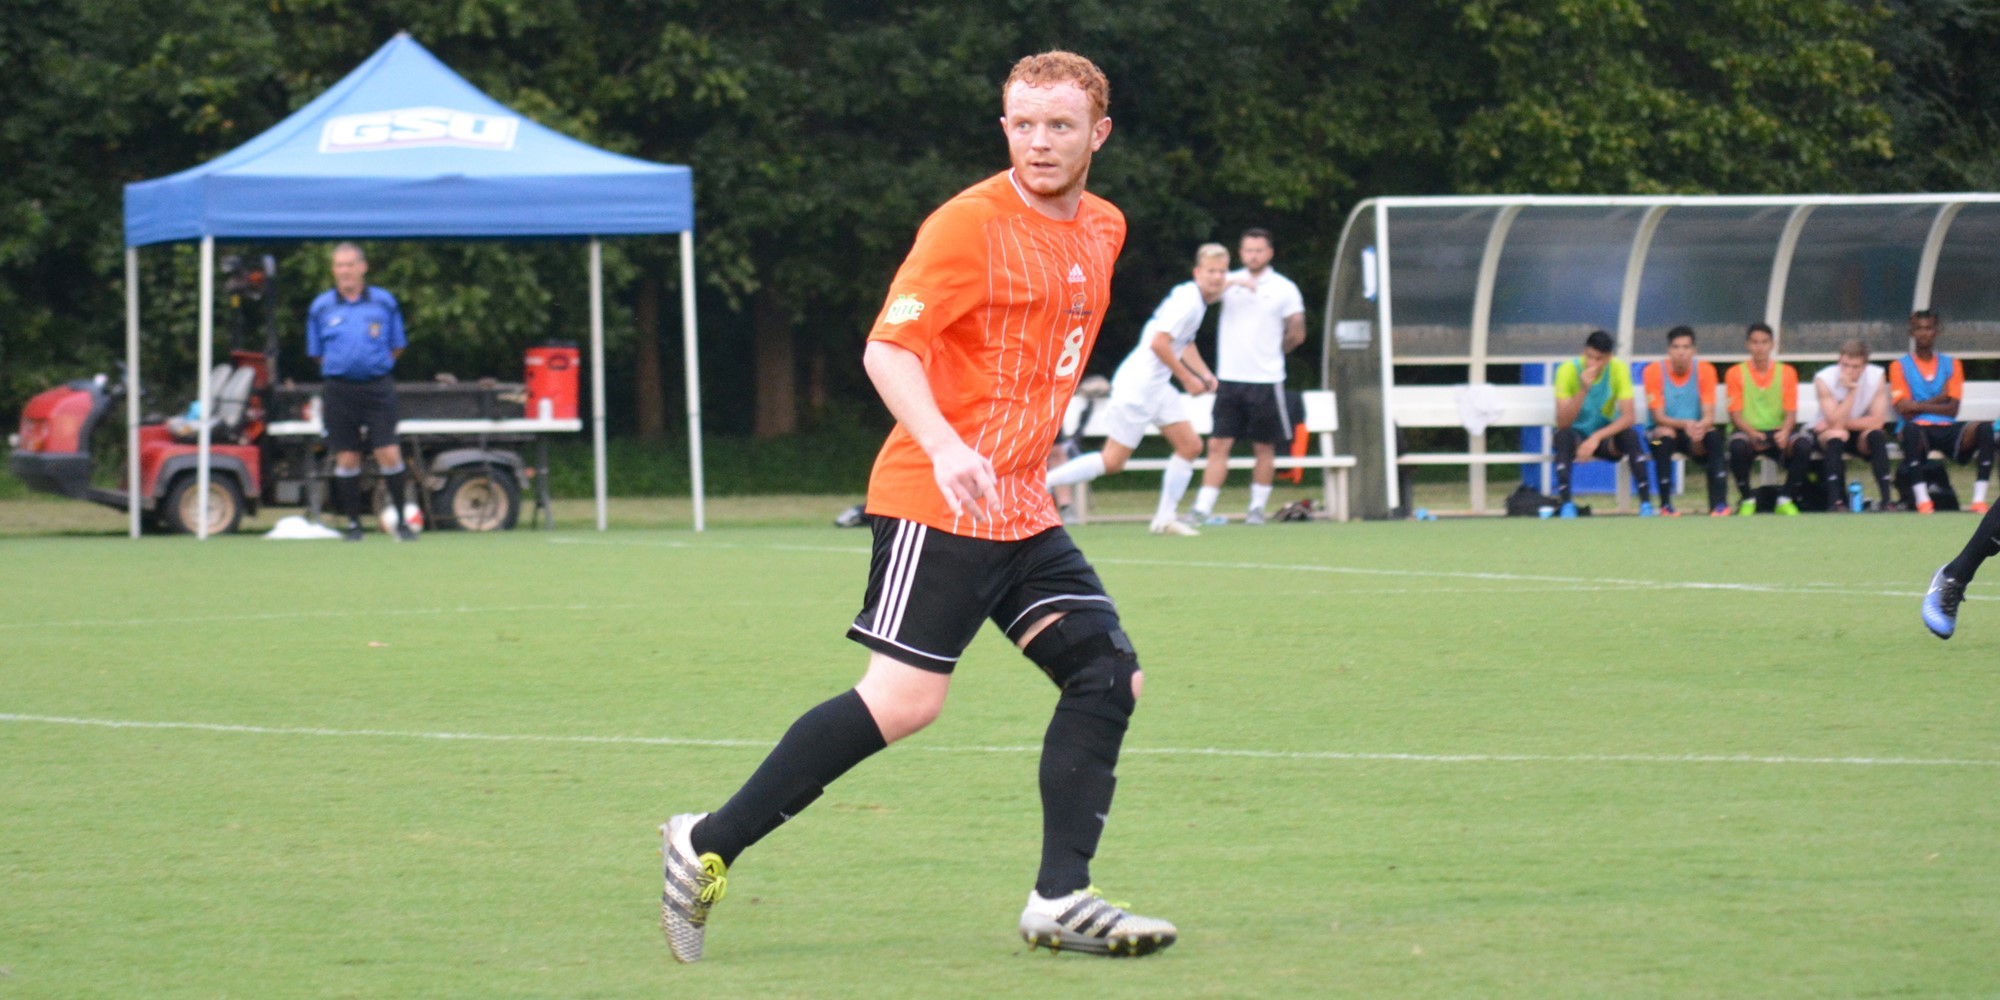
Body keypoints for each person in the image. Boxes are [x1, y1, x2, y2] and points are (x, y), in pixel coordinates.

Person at [657, 51, 1176, 964]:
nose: (1039, 141)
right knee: (902, 702)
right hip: (936, 500)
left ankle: (1060, 899)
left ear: (1099, 132)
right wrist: (945, 443)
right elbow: (887, 353)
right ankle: (704, 843)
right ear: (1003, 126)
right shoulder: (966, 225)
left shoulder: (1105, 226)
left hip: (1021, 505)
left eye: (1059, 125)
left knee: (1107, 675)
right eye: (1022, 123)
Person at [1045, 242, 1228, 535]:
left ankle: (1165, 519)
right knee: (1113, 461)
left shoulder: (1194, 299)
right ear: (1198, 272)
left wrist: (1204, 374)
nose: (1217, 277)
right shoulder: (1189, 301)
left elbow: (1184, 341)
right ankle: (1043, 483)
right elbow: (1159, 343)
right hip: (1138, 385)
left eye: (1221, 271)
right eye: (1211, 271)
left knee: (1190, 445)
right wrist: (1188, 379)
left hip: (1157, 387)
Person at [1186, 229, 1305, 526]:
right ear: (1240, 253)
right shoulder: (1228, 281)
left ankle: (1256, 508)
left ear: (1270, 252)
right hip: (1229, 379)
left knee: (1264, 447)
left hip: (1266, 380)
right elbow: (1203, 295)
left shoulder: (1284, 288)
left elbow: (1297, 330)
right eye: (1248, 250)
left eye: (1259, 250)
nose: (1253, 256)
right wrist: (1232, 280)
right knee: (1217, 445)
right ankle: (1202, 507)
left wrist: (1274, 353)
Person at [305, 242, 414, 542]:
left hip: (377, 388)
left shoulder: (383, 302)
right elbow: (316, 353)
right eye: (339, 266)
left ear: (363, 267)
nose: (345, 272)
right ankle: (354, 525)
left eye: (350, 265)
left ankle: (402, 523)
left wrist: (374, 365)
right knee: (347, 459)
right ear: (333, 270)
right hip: (339, 390)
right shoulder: (321, 306)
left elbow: (397, 345)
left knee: (388, 452)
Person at [1891, 309, 1995, 514]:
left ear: (1936, 332)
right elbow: (1904, 410)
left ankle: (1979, 499)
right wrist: (1940, 398)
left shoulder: (1951, 364)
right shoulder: (1899, 366)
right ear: (1911, 332)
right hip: (1918, 430)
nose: (1924, 333)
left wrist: (1917, 405)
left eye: (1928, 328)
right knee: (1910, 430)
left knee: (1984, 429)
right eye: (1918, 328)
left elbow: (1952, 410)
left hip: (1947, 427)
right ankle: (1923, 501)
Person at [1551, 329, 1652, 518]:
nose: (1593, 363)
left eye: (1599, 359)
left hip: (1604, 439)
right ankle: (1566, 505)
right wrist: (1583, 389)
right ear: (1584, 352)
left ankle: (1646, 504)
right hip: (1575, 438)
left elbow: (1629, 417)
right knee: (1561, 436)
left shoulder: (1618, 369)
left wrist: (1596, 438)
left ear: (1608, 358)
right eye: (1590, 357)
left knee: (1630, 435)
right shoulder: (1567, 370)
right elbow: (1562, 422)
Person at [1724, 322, 1809, 516]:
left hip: (1778, 430)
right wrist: (1752, 433)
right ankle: (1747, 499)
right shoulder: (1735, 373)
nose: (1759, 347)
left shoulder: (1787, 372)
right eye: (1755, 342)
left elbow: (1790, 411)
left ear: (1772, 344)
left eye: (1764, 342)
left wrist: (1786, 432)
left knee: (1803, 444)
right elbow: (1735, 413)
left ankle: (1785, 498)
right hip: (1747, 431)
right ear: (1748, 345)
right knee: (1737, 446)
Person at [1641, 326, 1726, 516]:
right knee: (1663, 438)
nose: (1681, 352)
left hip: (1691, 435)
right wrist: (1686, 424)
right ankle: (1665, 505)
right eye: (1676, 347)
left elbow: (1708, 415)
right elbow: (1658, 417)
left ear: (1693, 350)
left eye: (1686, 347)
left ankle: (1719, 504)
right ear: (1669, 350)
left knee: (1713, 437)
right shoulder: (1653, 371)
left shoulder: (1705, 370)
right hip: (1652, 439)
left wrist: (1699, 427)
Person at [1810, 339, 1897, 512]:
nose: (1848, 371)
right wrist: (1851, 391)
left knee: (1876, 435)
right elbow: (1835, 425)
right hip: (1828, 435)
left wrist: (1838, 422)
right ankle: (1835, 503)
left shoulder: (1876, 375)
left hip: (1855, 430)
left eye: (1855, 367)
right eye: (1844, 365)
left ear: (1864, 366)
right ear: (1839, 361)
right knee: (1836, 435)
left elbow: (1877, 420)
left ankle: (1887, 500)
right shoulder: (1824, 378)